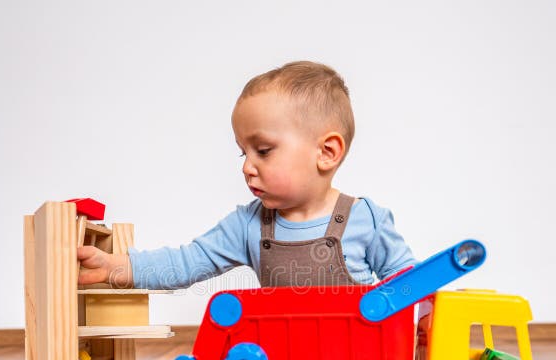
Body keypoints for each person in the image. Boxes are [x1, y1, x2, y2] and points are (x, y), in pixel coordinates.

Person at [77, 61, 415, 290]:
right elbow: (186, 262)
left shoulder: (367, 220)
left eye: (263, 151)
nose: (246, 167)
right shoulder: (249, 225)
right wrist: (116, 267)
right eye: (244, 153)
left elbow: (410, 284)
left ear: (326, 152)